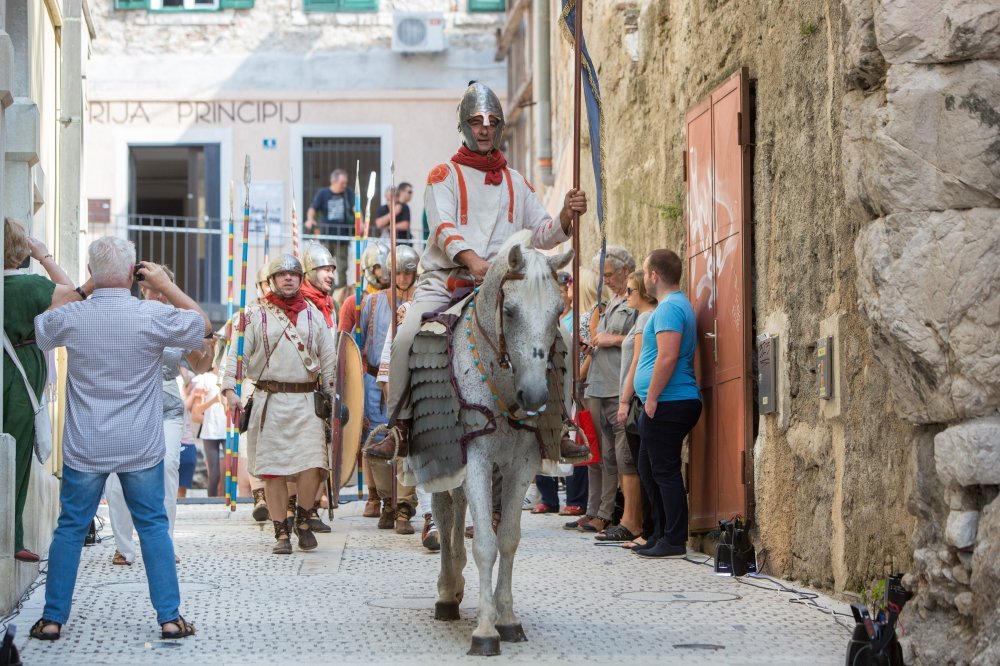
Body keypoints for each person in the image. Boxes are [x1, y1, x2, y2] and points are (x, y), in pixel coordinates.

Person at [369, 81, 590, 463]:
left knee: (562, 340)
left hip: (504, 287)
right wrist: (474, 261)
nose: (484, 128)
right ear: (464, 126)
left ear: (500, 127)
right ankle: (400, 426)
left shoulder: (517, 181)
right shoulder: (444, 175)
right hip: (447, 281)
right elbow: (443, 227)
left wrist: (566, 216)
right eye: (476, 121)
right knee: (406, 335)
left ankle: (559, 424)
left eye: (492, 121)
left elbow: (541, 233)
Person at [31, 237, 210, 641]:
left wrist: (86, 287)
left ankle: (52, 619)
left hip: (85, 444)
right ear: (133, 275)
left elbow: (41, 330)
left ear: (93, 274)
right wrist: (166, 286)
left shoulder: (73, 316)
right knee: (153, 528)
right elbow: (203, 326)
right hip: (140, 444)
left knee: (70, 529)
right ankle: (169, 618)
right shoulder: (150, 315)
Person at [222, 254, 338, 555]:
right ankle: (281, 532)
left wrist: (332, 396)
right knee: (272, 470)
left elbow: (328, 360)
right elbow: (237, 357)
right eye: (282, 275)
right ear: (271, 281)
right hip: (269, 401)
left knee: (313, 466)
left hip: (306, 402)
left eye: (293, 274)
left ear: (301, 279)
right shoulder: (253, 316)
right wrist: (229, 390)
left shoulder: (314, 316)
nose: (288, 278)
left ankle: (301, 518)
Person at [104, 266, 212, 566]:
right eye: (153, 286)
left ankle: (164, 542)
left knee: (167, 470)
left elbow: (201, 365)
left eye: (165, 286)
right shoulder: (127, 314)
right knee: (117, 477)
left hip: (167, 408)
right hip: (127, 405)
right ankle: (123, 546)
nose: (160, 293)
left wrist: (211, 351)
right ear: (142, 288)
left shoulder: (177, 321)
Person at [3, 218, 84, 563]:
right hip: (21, 368)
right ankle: (12, 535)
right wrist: (45, 255)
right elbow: (74, 293)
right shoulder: (32, 286)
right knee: (17, 452)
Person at [632, 249, 702, 559]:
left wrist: (653, 397)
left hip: (670, 401)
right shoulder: (670, 306)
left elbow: (669, 355)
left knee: (665, 470)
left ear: (654, 275)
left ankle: (674, 539)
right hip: (665, 401)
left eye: (645, 272)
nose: (644, 277)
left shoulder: (670, 308)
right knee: (649, 467)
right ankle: (660, 534)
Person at [360, 245, 419, 534]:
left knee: (409, 447)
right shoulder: (372, 302)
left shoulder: (425, 299)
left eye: (409, 272)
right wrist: (379, 382)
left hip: (416, 380)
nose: (404, 278)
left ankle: (405, 507)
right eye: (399, 272)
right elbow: (363, 345)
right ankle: (387, 501)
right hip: (379, 381)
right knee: (383, 441)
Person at [581, 246, 637, 538]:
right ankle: (600, 512)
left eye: (610, 274)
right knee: (601, 455)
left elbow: (641, 337)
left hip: (618, 386)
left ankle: (620, 517)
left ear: (626, 269)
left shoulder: (635, 300)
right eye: (603, 276)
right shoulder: (612, 301)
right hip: (599, 385)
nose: (607, 280)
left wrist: (612, 338)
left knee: (621, 455)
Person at [615, 271, 658, 549]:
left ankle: (648, 529)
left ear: (643, 292)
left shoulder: (644, 318)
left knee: (645, 466)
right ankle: (649, 529)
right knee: (644, 465)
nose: (626, 295)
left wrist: (623, 400)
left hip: (636, 400)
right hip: (636, 398)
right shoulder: (640, 317)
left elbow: (637, 362)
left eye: (630, 291)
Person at [338, 241, 390, 339]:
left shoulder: (397, 299)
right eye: (378, 266)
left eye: (386, 265)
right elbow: (343, 343)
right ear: (369, 269)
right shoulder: (354, 302)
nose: (383, 271)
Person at [191, 364, 226, 496]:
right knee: (214, 473)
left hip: (228, 430)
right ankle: (212, 502)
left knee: (228, 473)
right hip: (210, 432)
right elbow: (197, 410)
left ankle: (227, 504)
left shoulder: (231, 378)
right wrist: (214, 400)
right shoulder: (204, 378)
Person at [305, 169, 355, 238]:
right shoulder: (323, 193)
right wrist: (310, 219)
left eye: (346, 183)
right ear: (333, 182)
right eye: (342, 183)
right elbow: (312, 209)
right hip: (326, 236)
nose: (344, 185)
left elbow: (356, 208)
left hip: (343, 238)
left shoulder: (348, 192)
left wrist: (360, 222)